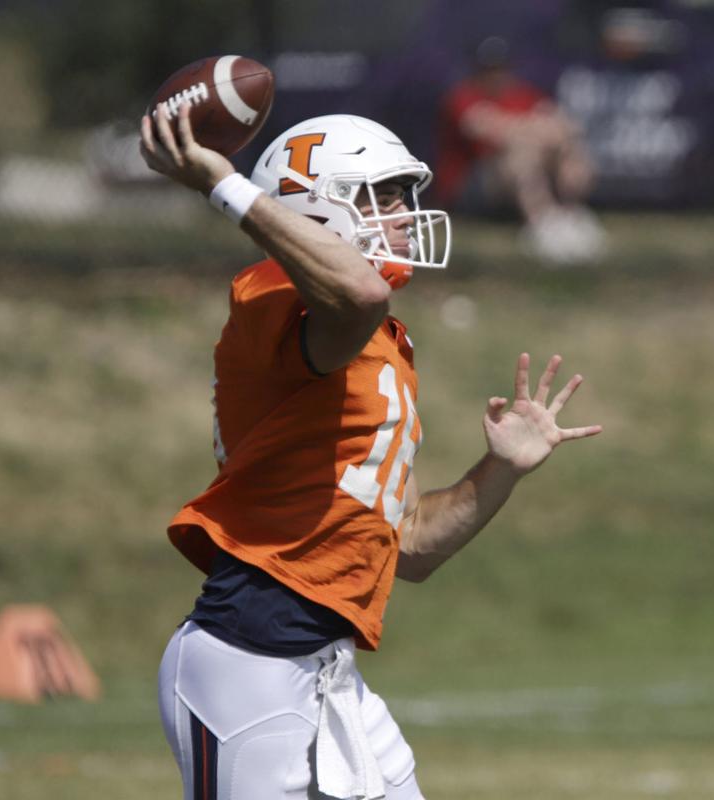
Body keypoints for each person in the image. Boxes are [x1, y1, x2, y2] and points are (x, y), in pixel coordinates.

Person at [139, 103, 602, 800]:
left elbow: (409, 546)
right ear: (313, 209)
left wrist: (500, 470)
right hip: (248, 658)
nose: (403, 214)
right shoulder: (282, 293)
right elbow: (355, 290)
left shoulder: (377, 341)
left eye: (403, 195)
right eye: (379, 196)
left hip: (327, 665)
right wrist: (226, 185)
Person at [434, 36, 607, 266]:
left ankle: (571, 214)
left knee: (569, 150)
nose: (495, 75)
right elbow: (490, 130)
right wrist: (535, 129)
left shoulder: (523, 95)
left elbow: (565, 126)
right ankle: (542, 224)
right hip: (471, 188)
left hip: (519, 181)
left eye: (500, 68)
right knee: (521, 153)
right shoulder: (463, 96)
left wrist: (538, 132)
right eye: (489, 69)